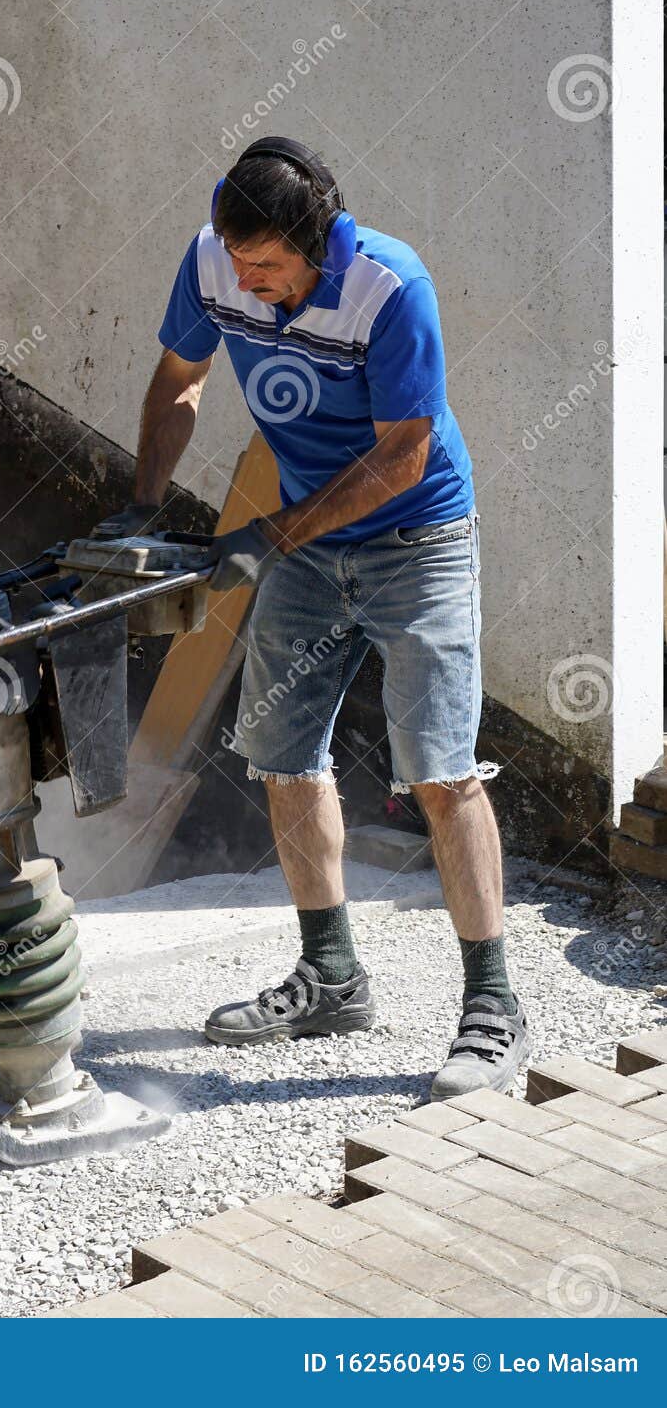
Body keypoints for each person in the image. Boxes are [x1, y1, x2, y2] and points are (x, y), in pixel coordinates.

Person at [94, 136, 527, 1100]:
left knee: (441, 772)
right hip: (301, 541)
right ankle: (331, 975)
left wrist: (272, 534)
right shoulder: (215, 257)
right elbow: (179, 378)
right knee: (282, 757)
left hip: (416, 541)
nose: (248, 284)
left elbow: (403, 454)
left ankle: (493, 1006)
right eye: (237, 263)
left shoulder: (388, 285)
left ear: (318, 241)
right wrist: (142, 504)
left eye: (269, 268)